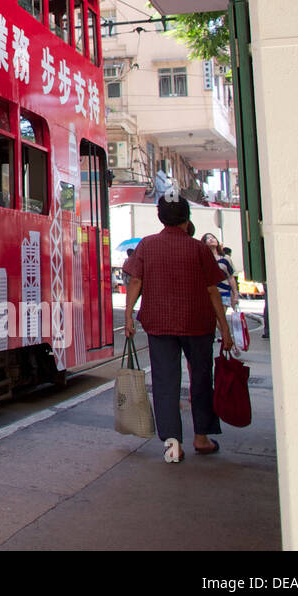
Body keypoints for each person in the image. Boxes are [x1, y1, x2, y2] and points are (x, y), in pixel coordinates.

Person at [122, 194, 233, 462]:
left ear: (160, 217)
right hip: (197, 325)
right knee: (201, 379)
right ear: (187, 218)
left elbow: (135, 282)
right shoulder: (198, 249)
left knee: (165, 383)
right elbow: (212, 291)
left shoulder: (146, 246)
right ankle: (202, 437)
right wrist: (225, 330)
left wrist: (128, 317)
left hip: (159, 325)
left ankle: (173, 446)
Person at [201, 233, 239, 309]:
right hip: (208, 293)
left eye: (213, 237)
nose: (211, 239)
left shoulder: (225, 258)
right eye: (208, 238)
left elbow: (230, 277)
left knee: (221, 317)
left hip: (224, 291)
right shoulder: (202, 258)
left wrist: (235, 294)